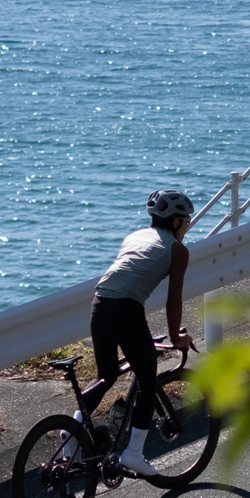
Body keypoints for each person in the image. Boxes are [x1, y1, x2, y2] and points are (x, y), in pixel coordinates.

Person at [78, 188, 197, 477]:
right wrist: (176, 336)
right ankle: (133, 454)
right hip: (126, 311)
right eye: (187, 222)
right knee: (147, 380)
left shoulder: (134, 236)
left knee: (105, 377)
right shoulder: (177, 250)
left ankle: (70, 435)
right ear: (175, 222)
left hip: (99, 305)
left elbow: (128, 275)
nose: (188, 227)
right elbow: (173, 298)